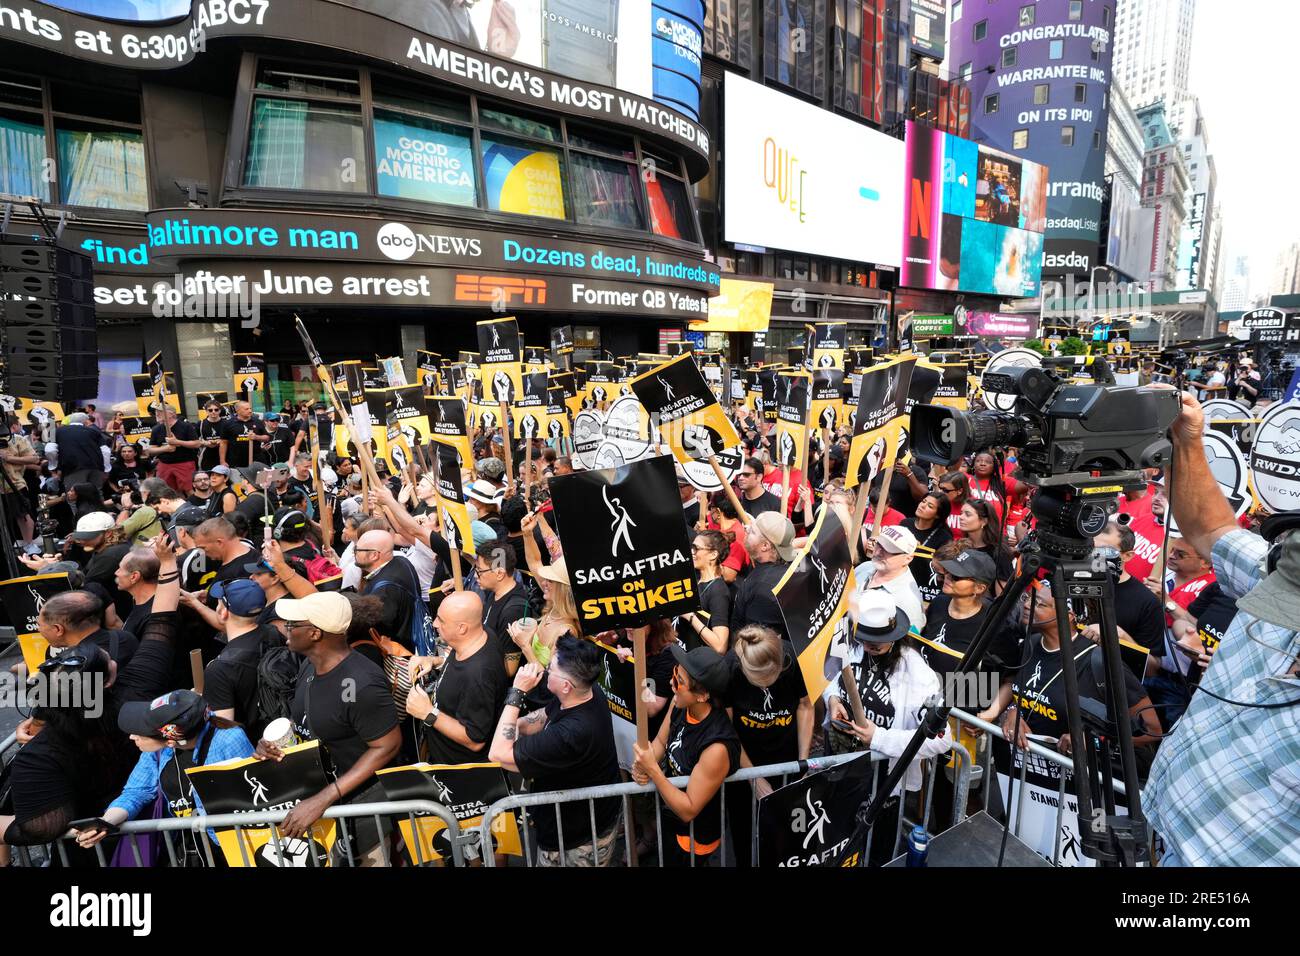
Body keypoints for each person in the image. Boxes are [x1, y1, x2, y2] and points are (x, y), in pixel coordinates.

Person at [258, 592, 401, 864]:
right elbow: (311, 720)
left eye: (291, 624)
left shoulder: (361, 682)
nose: (284, 628)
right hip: (320, 815)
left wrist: (324, 798)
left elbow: (388, 745)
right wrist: (274, 743)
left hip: (362, 816)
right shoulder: (308, 668)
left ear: (314, 634)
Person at [823, 591, 951, 866]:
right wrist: (832, 698)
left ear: (894, 636)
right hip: (842, 766)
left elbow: (941, 740)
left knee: (877, 846)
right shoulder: (849, 642)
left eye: (877, 643)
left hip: (883, 781)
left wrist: (879, 737)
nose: (868, 646)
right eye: (864, 639)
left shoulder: (919, 674)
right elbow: (831, 673)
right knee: (838, 839)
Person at [70, 690, 255, 866]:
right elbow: (136, 792)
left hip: (232, 848)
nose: (132, 736)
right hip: (187, 850)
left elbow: (251, 799)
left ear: (170, 741)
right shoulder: (157, 751)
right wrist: (105, 822)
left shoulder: (229, 740)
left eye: (141, 732)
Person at [487, 637, 623, 866]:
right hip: (577, 821)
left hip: (576, 840)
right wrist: (518, 724)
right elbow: (544, 716)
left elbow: (498, 754)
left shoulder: (571, 734)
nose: (546, 670)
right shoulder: (587, 692)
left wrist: (517, 692)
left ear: (566, 686)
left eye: (551, 668)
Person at [631, 645, 740, 867]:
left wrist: (653, 770)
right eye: (674, 674)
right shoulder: (680, 703)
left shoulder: (717, 747)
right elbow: (661, 741)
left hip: (693, 838)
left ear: (702, 696)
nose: (672, 684)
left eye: (679, 681)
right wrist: (642, 767)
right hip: (672, 819)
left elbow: (689, 809)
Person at [723, 625, 812, 866]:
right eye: (758, 682)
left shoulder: (792, 659)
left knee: (788, 830)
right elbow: (727, 729)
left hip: (786, 758)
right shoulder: (729, 668)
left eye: (768, 681)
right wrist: (754, 778)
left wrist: (801, 763)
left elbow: (805, 705)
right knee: (743, 831)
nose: (764, 688)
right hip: (744, 763)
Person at [405, 591, 507, 765]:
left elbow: (475, 741)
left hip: (459, 770)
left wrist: (428, 713)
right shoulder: (482, 634)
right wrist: (435, 661)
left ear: (462, 628)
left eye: (441, 620)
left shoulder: (478, 675)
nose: (435, 624)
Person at [201, 578, 275, 740]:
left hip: (254, 747)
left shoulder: (219, 669)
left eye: (219, 603)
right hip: (279, 730)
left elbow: (223, 731)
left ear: (223, 612)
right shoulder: (274, 632)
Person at [1088, 521, 1164, 655]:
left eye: (1105, 550)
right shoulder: (1069, 580)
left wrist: (1121, 636)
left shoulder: (1147, 602)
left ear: (1127, 556)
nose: (1094, 554)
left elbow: (1152, 668)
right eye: (1090, 547)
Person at [354, 529, 423, 652]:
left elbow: (378, 633)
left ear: (374, 555)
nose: (354, 553)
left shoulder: (383, 592)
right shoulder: (402, 562)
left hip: (398, 656)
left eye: (357, 550)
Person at [731, 512, 795, 637]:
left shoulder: (764, 590)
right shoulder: (792, 567)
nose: (747, 529)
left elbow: (755, 646)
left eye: (753, 531)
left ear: (765, 546)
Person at [855, 525, 926, 633]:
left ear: (907, 558)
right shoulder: (865, 567)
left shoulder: (909, 603)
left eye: (888, 550)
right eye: (879, 544)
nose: (878, 552)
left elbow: (907, 645)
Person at [475, 539, 530, 676]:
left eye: (479, 571)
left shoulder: (513, 611)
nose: (476, 575)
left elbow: (509, 669)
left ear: (499, 573)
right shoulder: (493, 592)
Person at [678, 529, 732, 652]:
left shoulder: (718, 592)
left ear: (713, 555)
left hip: (695, 664)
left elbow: (720, 646)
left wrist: (691, 617)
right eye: (692, 547)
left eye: (696, 548)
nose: (691, 552)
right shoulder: (694, 578)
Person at [145, 407, 203, 493]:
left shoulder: (186, 426)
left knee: (189, 490)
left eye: (160, 411)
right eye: (156, 412)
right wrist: (165, 448)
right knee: (167, 492)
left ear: (171, 414)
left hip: (184, 464)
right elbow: (151, 450)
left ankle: (192, 506)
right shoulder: (156, 429)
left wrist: (177, 442)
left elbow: (197, 444)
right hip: (164, 465)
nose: (157, 413)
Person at [957, 499, 1014, 585]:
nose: (961, 517)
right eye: (961, 513)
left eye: (967, 514)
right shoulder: (961, 545)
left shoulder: (999, 553)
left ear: (984, 521)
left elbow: (1001, 595)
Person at [53, 411, 109, 489]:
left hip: (72, 467)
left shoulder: (57, 431)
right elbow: (106, 451)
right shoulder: (94, 431)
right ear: (85, 421)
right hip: (95, 467)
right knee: (96, 495)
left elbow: (50, 450)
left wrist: (53, 466)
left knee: (74, 495)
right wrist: (106, 469)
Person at [114, 546, 159, 638]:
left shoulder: (152, 616)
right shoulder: (139, 600)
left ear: (134, 576)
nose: (116, 572)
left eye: (120, 568)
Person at [219, 401, 270, 467]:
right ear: (238, 410)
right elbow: (223, 443)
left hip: (257, 460)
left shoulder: (257, 421)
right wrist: (222, 461)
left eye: (250, 408)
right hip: (236, 462)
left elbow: (267, 438)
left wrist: (256, 437)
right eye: (246, 409)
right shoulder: (228, 424)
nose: (250, 411)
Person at [936, 471, 970, 537]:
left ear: (959, 491)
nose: (940, 493)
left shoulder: (973, 508)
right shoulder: (937, 503)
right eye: (940, 488)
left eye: (945, 490)